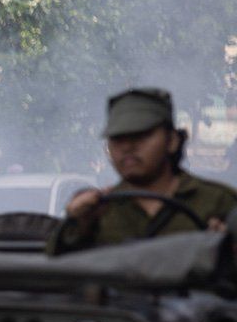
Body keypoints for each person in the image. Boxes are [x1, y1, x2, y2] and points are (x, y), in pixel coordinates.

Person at [50, 88, 237, 254]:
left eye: (142, 135)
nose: (128, 147)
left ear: (172, 141)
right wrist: (77, 222)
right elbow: (58, 273)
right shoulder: (98, 210)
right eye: (118, 139)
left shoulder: (218, 202)